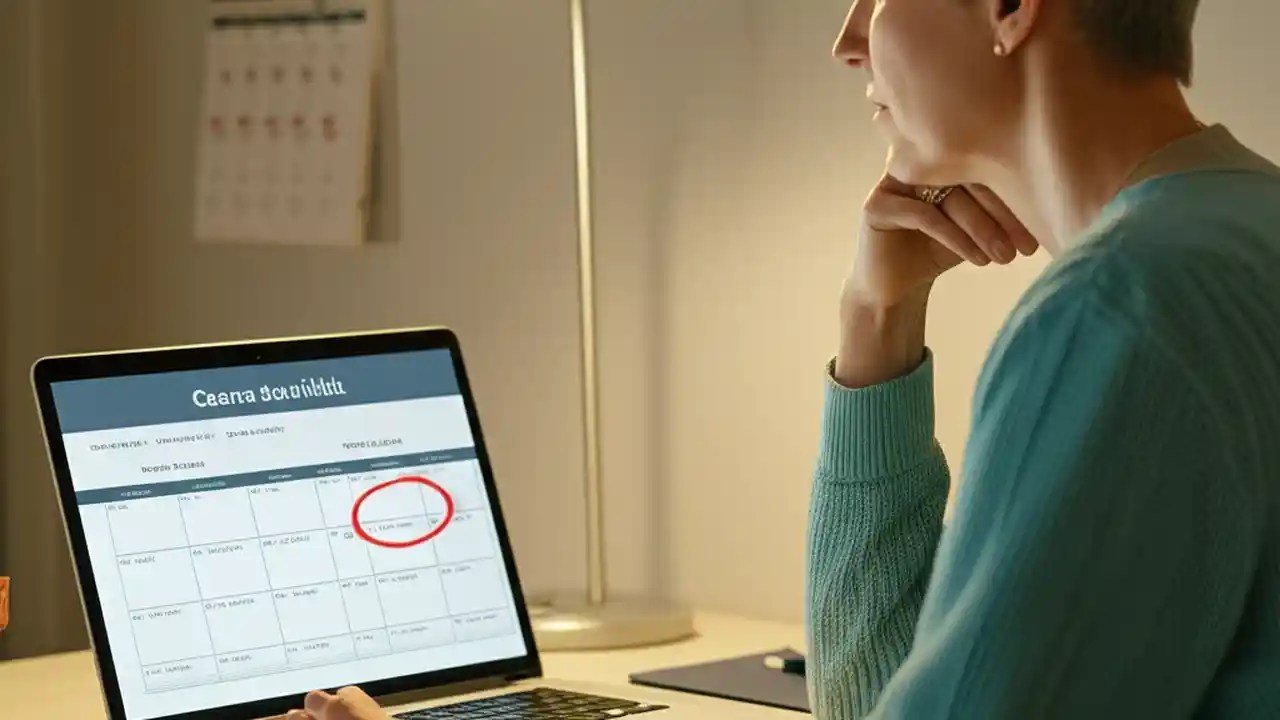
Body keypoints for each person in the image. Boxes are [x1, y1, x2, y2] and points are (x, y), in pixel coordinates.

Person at [288, 0, 1280, 717]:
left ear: (1011, 7)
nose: (846, 40)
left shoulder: (1119, 309)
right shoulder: (1235, 233)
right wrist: (874, 315)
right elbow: (872, 694)